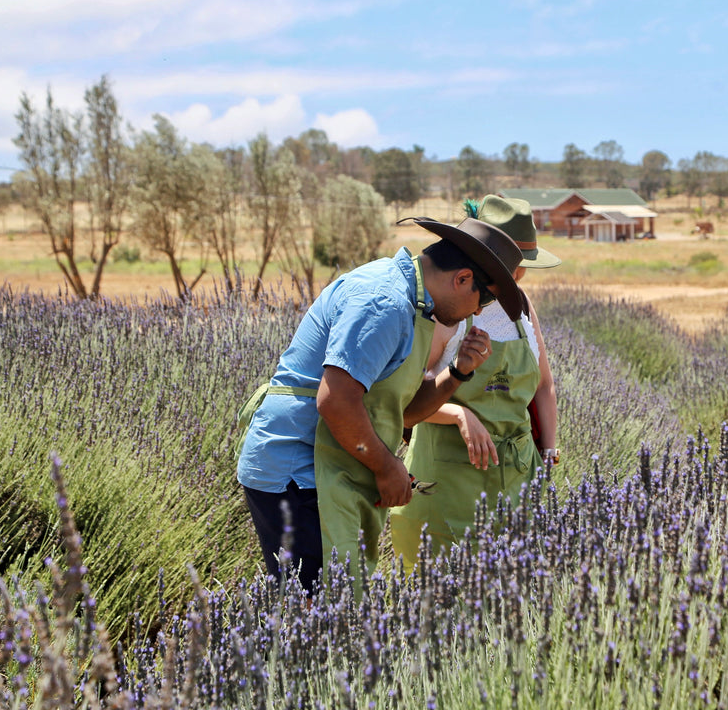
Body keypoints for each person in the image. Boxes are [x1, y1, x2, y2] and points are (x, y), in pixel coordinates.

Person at [237, 217, 524, 591]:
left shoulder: (414, 304)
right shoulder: (385, 301)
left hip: (328, 468)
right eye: (484, 298)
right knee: (314, 613)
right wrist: (387, 466)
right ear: (463, 278)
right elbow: (336, 401)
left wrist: (457, 372)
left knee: (333, 608)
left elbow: (401, 411)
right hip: (296, 471)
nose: (479, 312)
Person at [391, 196, 561, 570]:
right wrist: (457, 415)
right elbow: (404, 400)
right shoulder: (449, 308)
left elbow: (544, 386)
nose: (517, 276)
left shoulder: (523, 308)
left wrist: (548, 451)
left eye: (523, 267)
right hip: (447, 484)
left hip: (517, 481)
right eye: (512, 266)